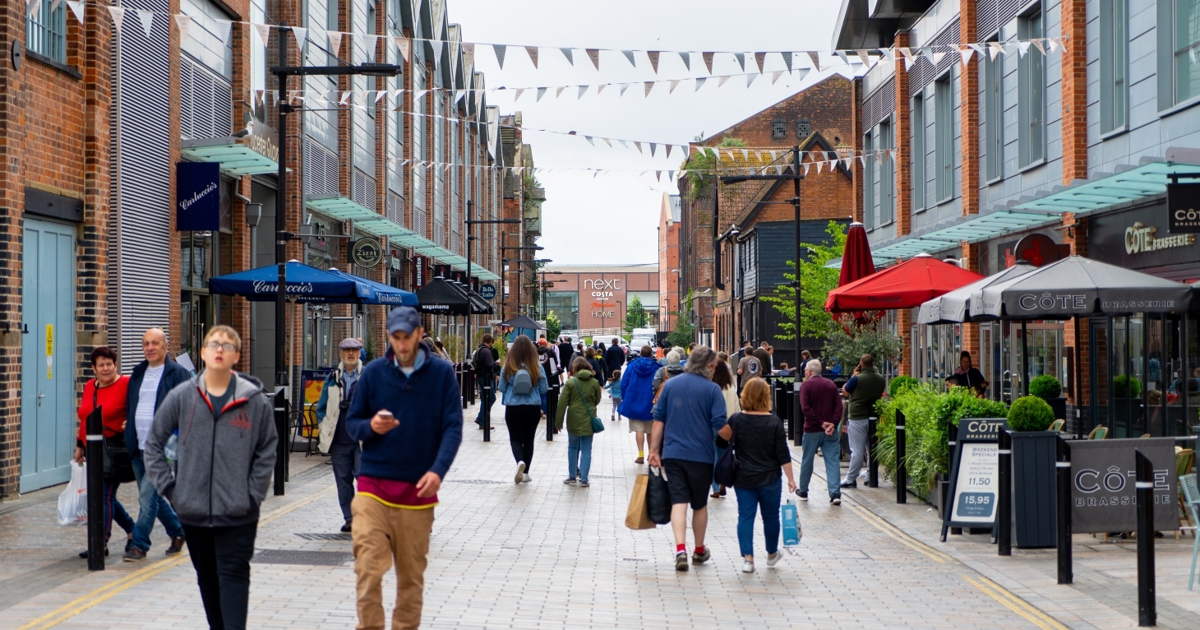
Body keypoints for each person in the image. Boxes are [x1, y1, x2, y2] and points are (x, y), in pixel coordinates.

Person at [144, 325, 277, 630]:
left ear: (236, 356)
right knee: (207, 577)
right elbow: (153, 444)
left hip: (239, 511)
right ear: (202, 353)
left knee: (232, 574)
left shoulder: (254, 400)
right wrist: (173, 490)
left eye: (227, 346)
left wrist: (253, 494)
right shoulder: (181, 397)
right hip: (194, 511)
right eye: (213, 345)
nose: (219, 350)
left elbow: (267, 447)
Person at [341, 306, 462, 630]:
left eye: (407, 337)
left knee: (410, 582)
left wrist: (437, 470)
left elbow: (453, 427)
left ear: (420, 335)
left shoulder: (441, 374)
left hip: (417, 492)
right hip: (373, 488)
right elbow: (353, 424)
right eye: (395, 338)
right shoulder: (374, 373)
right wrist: (371, 427)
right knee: (367, 569)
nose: (402, 345)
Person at [648, 346, 728, 571]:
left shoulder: (670, 385)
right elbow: (720, 425)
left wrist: (654, 451)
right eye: (713, 366)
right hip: (701, 456)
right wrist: (737, 438)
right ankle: (699, 550)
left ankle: (680, 549)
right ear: (708, 366)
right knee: (700, 504)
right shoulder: (712, 390)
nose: (714, 370)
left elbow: (658, 421)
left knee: (679, 502)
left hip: (673, 454)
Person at [123, 327, 189, 561]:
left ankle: (139, 544)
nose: (149, 348)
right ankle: (178, 531)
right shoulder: (137, 374)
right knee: (153, 497)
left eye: (155, 343)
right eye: (145, 344)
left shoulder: (178, 374)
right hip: (138, 445)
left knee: (146, 497)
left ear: (166, 346)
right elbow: (131, 405)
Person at [716, 377, 796, 573]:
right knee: (770, 517)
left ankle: (748, 559)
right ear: (766, 397)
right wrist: (791, 479)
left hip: (744, 476)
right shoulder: (774, 422)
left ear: (745, 396)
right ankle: (770, 554)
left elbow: (720, 442)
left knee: (745, 516)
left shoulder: (736, 420)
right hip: (770, 477)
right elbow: (782, 453)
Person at [74, 347, 134, 559]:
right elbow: (85, 417)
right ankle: (132, 531)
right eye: (101, 365)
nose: (106, 368)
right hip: (93, 449)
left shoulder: (127, 384)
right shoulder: (90, 386)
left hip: (114, 450)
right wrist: (80, 445)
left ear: (115, 365)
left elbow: (140, 406)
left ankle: (101, 542)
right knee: (104, 496)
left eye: (109, 364)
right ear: (94, 368)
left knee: (104, 495)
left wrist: (132, 422)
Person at [315, 338, 365, 532]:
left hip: (363, 440)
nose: (350, 354)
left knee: (364, 480)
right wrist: (324, 428)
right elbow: (321, 408)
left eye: (354, 350)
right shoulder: (333, 378)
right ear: (341, 354)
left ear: (360, 353)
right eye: (347, 351)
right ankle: (350, 518)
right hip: (339, 440)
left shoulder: (369, 376)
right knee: (343, 482)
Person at [498, 335, 549, 483]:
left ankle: (520, 461)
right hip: (532, 407)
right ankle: (526, 473)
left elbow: (501, 387)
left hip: (513, 406)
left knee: (515, 438)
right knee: (529, 439)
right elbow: (544, 387)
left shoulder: (509, 364)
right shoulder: (536, 365)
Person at [797, 359, 844, 505]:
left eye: (805, 371)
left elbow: (806, 409)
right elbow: (839, 406)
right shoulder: (830, 384)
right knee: (832, 461)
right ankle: (835, 493)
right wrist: (832, 424)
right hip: (830, 431)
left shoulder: (806, 385)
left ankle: (803, 490)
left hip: (812, 430)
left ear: (810, 372)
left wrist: (821, 423)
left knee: (807, 460)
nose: (805, 373)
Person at [840, 354, 886, 489]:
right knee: (871, 449)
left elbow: (845, 392)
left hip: (857, 417)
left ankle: (850, 479)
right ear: (873, 363)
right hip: (873, 418)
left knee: (857, 450)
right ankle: (870, 477)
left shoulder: (857, 379)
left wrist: (853, 376)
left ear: (861, 364)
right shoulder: (880, 379)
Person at [557, 356, 603, 487]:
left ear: (575, 368)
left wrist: (558, 422)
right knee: (587, 449)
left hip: (573, 419)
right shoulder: (594, 382)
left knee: (572, 447)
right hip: (589, 419)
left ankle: (572, 475)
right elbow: (597, 400)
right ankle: (584, 478)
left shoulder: (571, 383)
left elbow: (562, 403)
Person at [619, 346, 661, 464]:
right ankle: (650, 453)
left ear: (640, 353)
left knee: (638, 429)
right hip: (650, 401)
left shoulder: (632, 366)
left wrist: (624, 397)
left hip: (634, 400)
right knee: (650, 430)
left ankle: (640, 454)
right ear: (651, 355)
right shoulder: (656, 367)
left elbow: (624, 383)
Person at [710, 359, 740, 499]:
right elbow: (736, 407)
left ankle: (715, 487)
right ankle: (722, 482)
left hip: (711, 424)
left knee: (713, 456)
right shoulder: (730, 387)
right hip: (727, 424)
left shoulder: (710, 386)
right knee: (724, 455)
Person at [473, 333, 500, 430]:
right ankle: (482, 420)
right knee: (490, 398)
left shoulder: (479, 350)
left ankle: (481, 420)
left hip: (481, 377)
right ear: (490, 341)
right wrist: (497, 363)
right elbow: (489, 364)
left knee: (485, 398)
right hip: (486, 378)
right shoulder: (487, 351)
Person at [539, 340, 563, 431]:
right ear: (545, 344)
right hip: (549, 377)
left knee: (540, 394)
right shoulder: (550, 352)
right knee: (547, 395)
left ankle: (540, 410)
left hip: (538, 376)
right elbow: (555, 363)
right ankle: (545, 412)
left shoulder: (535, 352)